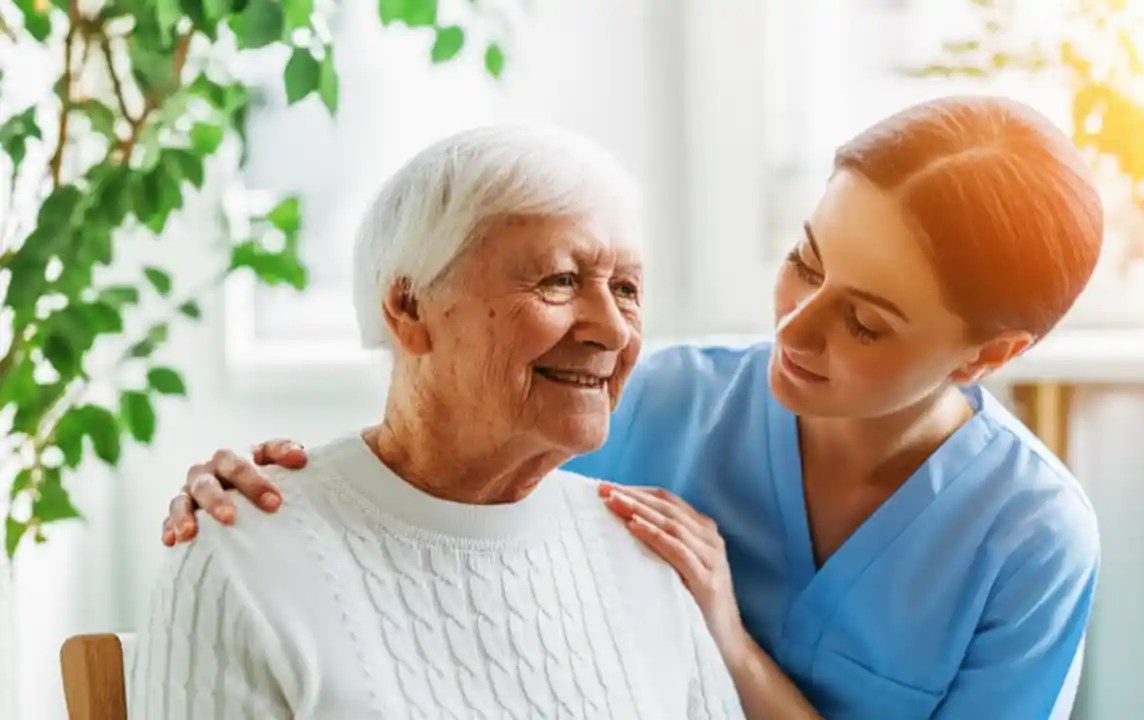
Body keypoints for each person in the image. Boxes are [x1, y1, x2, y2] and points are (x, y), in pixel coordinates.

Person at [163, 95, 1103, 720]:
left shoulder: (1028, 538)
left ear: (989, 356)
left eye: (862, 321)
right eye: (806, 261)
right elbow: (438, 499)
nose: (796, 329)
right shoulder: (652, 400)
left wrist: (729, 647)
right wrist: (259, 503)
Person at [129, 124, 744, 720]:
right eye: (560, 281)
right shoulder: (244, 560)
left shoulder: (644, 555)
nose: (612, 329)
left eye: (627, 289)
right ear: (408, 306)